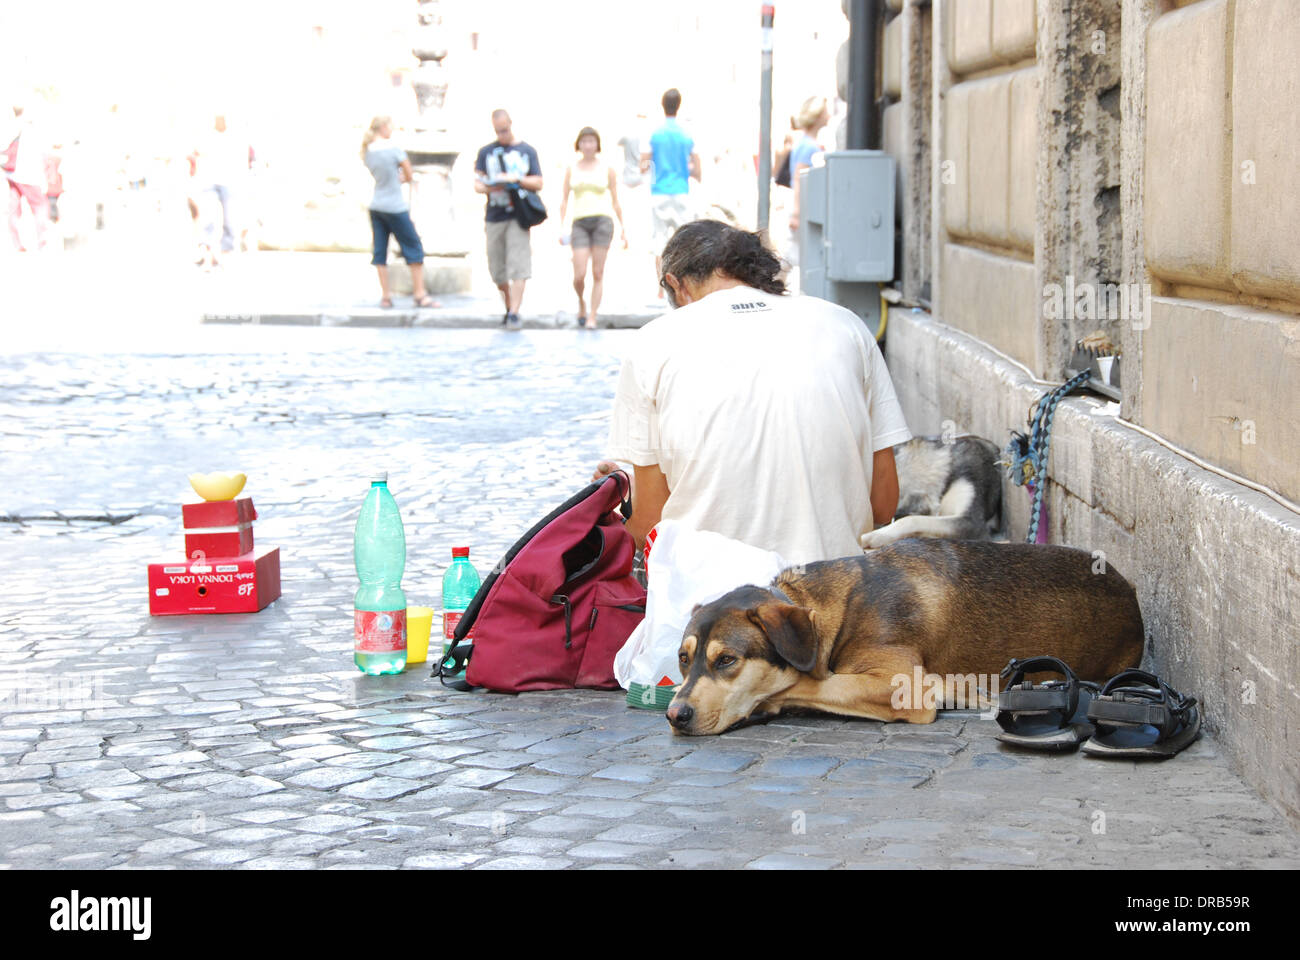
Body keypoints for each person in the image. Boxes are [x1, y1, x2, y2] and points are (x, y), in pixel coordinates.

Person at [598, 220, 910, 567]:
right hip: (839, 595)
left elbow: (649, 526)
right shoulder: (847, 325)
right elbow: (883, 502)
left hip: (715, 606)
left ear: (676, 283)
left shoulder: (652, 342)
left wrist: (615, 507)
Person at [473, 109, 543, 331]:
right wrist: (492, 185)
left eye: (505, 129)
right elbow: (477, 184)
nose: (502, 134)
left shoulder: (526, 151)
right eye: (498, 131)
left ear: (511, 124)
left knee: (518, 264)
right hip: (494, 214)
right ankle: (509, 305)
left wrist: (516, 179)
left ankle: (514, 313)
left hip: (518, 214)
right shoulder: (486, 152)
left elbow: (538, 182)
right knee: (497, 268)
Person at [361, 115, 438, 308]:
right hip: (395, 205)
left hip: (376, 204)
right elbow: (409, 174)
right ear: (384, 127)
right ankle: (420, 293)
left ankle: (386, 296)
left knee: (380, 251)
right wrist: (400, 179)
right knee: (413, 247)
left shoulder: (367, 151)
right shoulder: (394, 150)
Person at [558, 126, 627, 330]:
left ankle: (592, 315)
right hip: (579, 222)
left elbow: (615, 200)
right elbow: (563, 200)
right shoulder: (572, 168)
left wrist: (623, 228)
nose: (588, 145)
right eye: (584, 141)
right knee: (579, 274)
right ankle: (581, 302)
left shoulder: (607, 169)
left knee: (598, 272)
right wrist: (561, 226)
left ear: (597, 144)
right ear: (579, 144)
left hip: (602, 221)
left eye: (591, 141)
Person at [640, 89, 700, 299]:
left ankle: (661, 287)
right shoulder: (686, 133)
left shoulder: (654, 134)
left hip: (659, 191)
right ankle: (682, 284)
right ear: (679, 105)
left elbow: (643, 164)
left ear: (662, 104)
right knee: (684, 240)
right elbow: (697, 165)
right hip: (682, 190)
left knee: (660, 241)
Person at [786, 96, 829, 249]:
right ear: (817, 116)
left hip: (802, 203)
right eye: (825, 111)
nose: (828, 115)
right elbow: (799, 178)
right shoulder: (809, 147)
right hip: (802, 205)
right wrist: (797, 212)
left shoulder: (805, 143)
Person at [6, 103, 50, 252]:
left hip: (12, 173)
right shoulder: (29, 128)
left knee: (14, 208)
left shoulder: (11, 126)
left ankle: (16, 243)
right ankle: (42, 242)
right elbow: (42, 155)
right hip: (29, 175)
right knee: (40, 207)